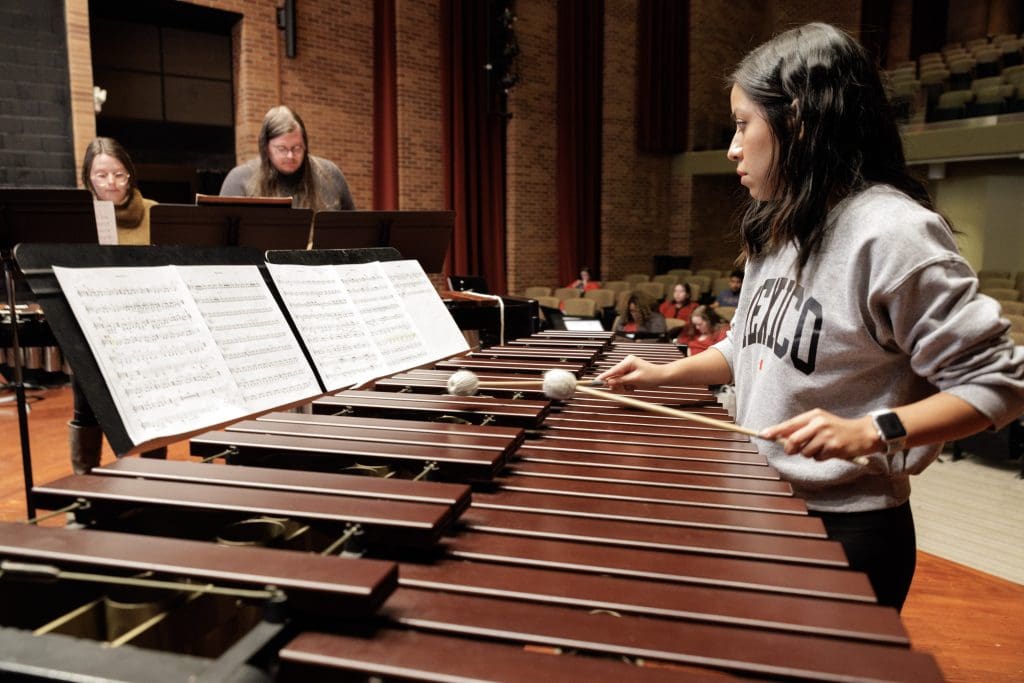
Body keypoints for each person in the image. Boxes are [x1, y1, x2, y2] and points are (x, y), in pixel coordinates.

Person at [598, 23, 1024, 611]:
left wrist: (871, 431)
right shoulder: (777, 225)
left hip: (849, 534)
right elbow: (752, 350)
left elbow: (1002, 384)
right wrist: (665, 375)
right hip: (760, 504)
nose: (732, 147)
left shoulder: (892, 233)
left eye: (744, 123)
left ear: (798, 119)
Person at [219, 105, 356, 210]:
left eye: (297, 148)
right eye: (282, 149)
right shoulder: (239, 180)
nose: (290, 156)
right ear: (266, 147)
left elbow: (353, 230)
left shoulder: (330, 175)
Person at [81, 137, 157, 245]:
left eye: (119, 175)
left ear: (129, 178)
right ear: (88, 180)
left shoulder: (153, 211)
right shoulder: (80, 217)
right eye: (102, 175)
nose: (111, 182)